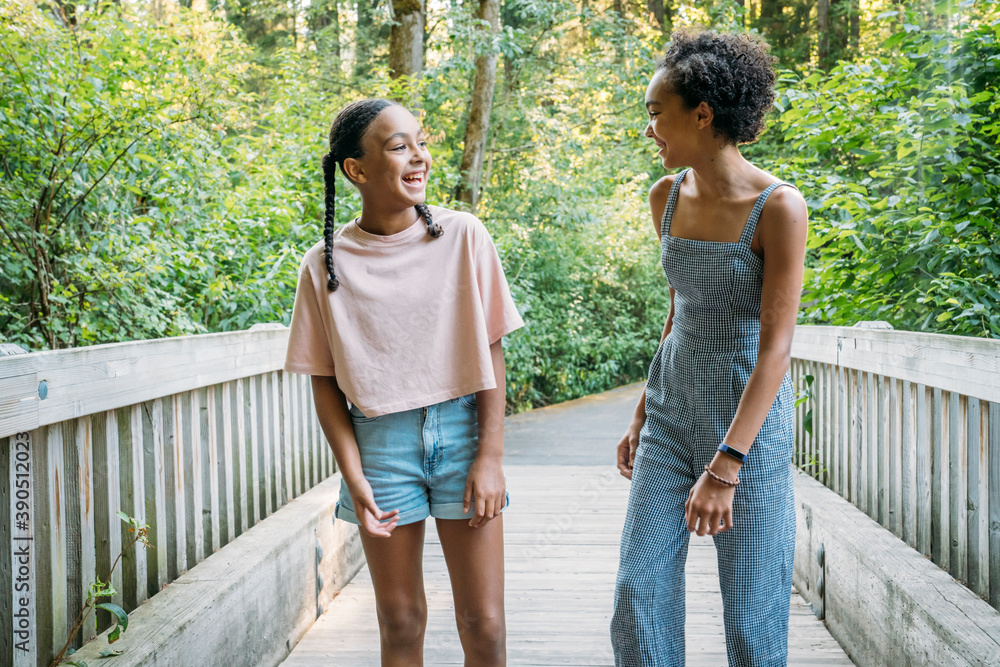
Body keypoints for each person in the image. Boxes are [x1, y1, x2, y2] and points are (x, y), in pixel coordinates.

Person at [284, 98, 522, 667]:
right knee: (400, 620)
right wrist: (354, 475)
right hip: (381, 446)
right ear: (356, 170)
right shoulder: (325, 265)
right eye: (399, 146)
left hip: (463, 433)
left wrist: (490, 456)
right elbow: (323, 382)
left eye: (420, 141)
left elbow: (491, 349)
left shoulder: (463, 235)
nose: (419, 157)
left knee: (484, 624)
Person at [610, 30, 809, 666]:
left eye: (654, 114)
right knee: (637, 596)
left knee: (753, 617)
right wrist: (641, 413)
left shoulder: (779, 207)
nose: (649, 131)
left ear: (702, 113)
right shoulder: (664, 198)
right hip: (670, 419)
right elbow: (679, 314)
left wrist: (727, 465)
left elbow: (777, 347)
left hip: (747, 434)